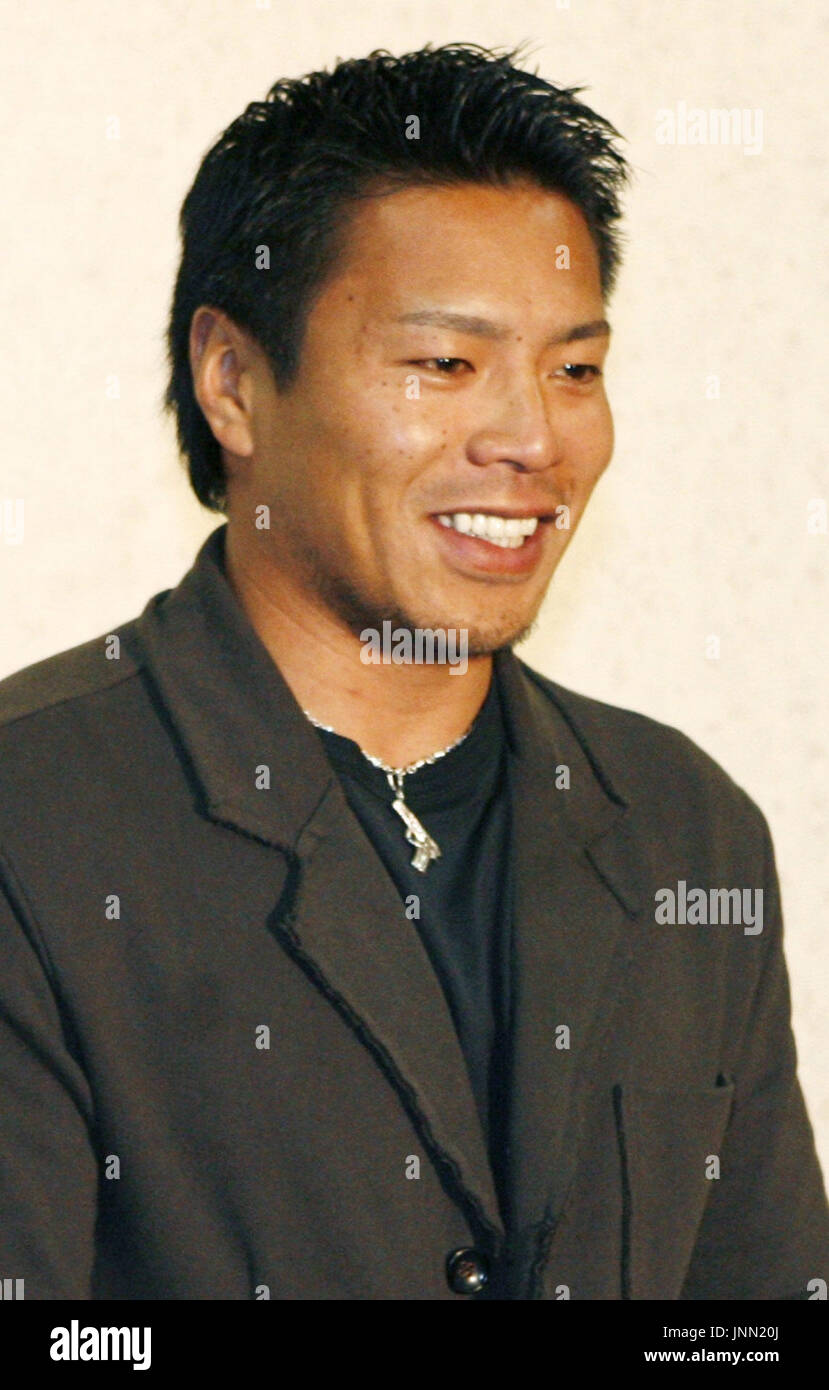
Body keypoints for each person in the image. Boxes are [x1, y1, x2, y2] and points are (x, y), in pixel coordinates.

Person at [0, 42, 826, 1301]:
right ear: (233, 382)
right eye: (445, 364)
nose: (532, 438)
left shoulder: (683, 831)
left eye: (575, 369)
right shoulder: (36, 815)